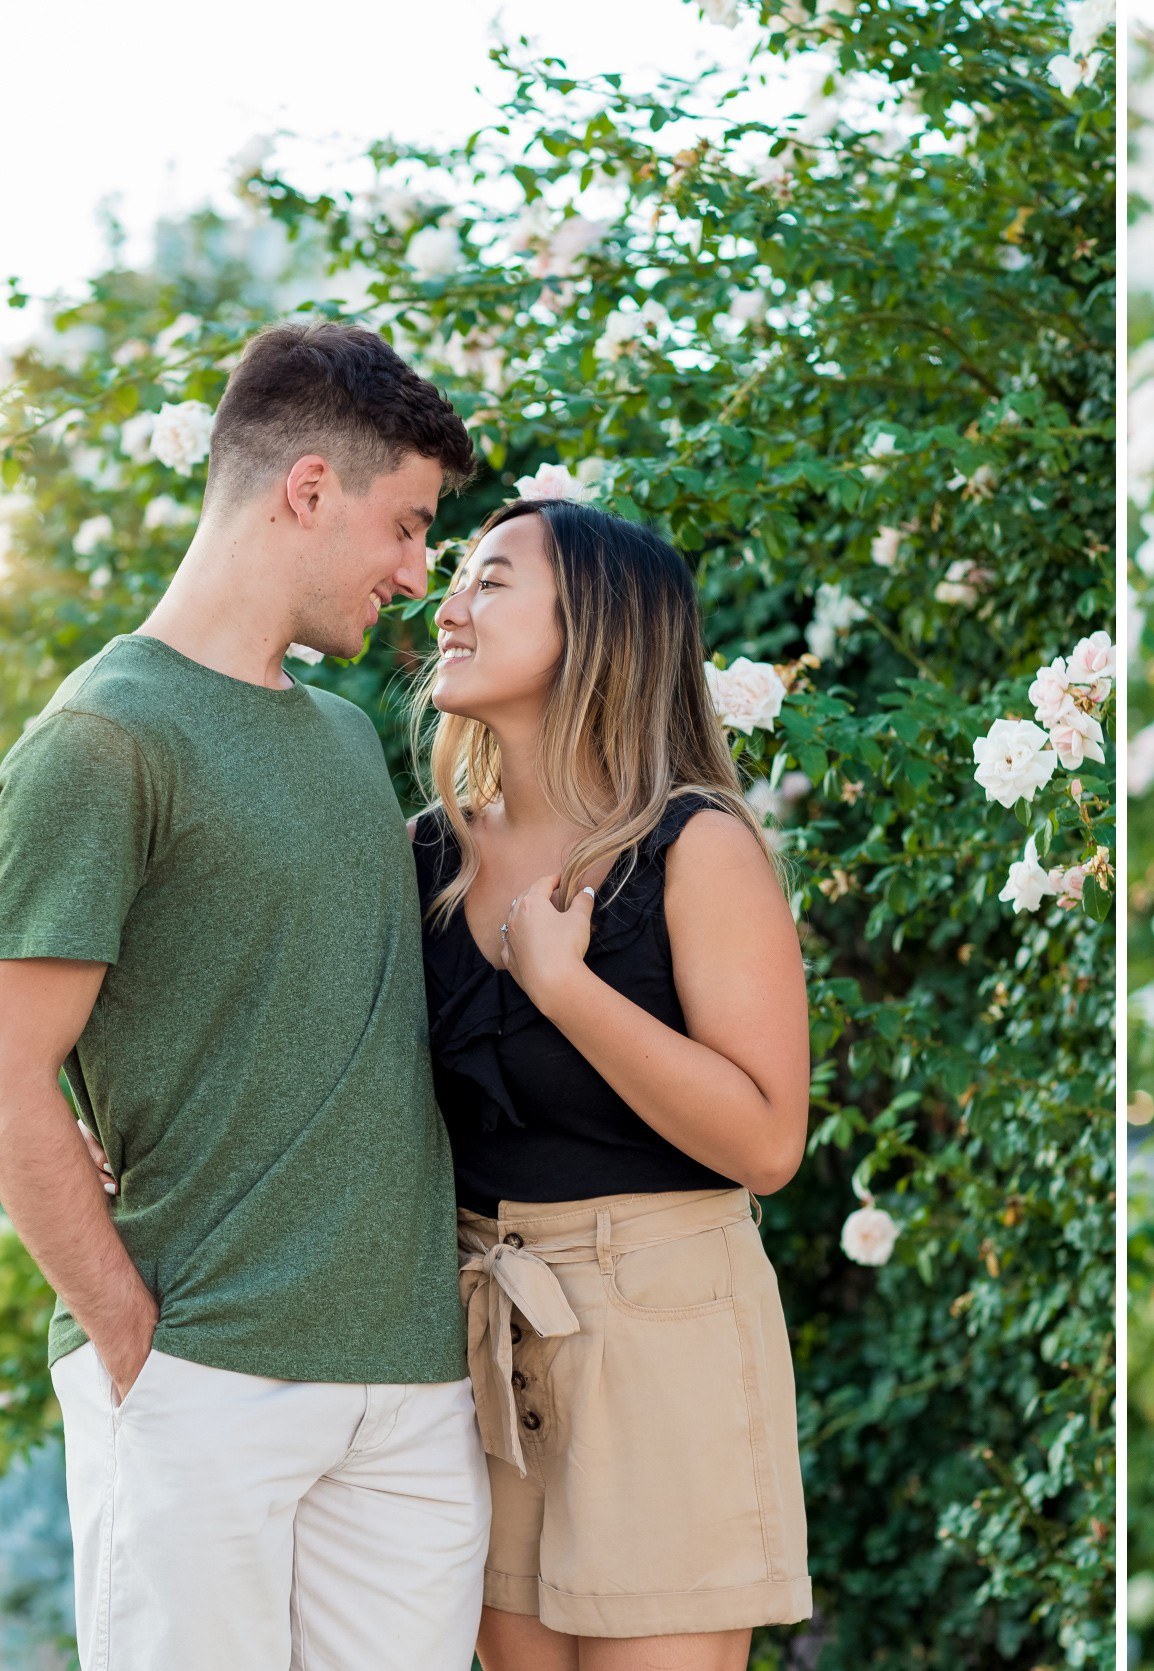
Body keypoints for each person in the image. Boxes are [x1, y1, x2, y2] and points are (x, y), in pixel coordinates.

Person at [0, 320, 486, 1667]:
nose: (415, 570)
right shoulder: (106, 737)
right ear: (309, 487)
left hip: (406, 1381)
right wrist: (134, 1339)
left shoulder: (338, 733)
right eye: (404, 525)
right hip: (203, 1372)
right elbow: (4, 1069)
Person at [414, 494, 816, 1668]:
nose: (448, 606)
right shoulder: (423, 856)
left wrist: (568, 989)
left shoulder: (697, 847)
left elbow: (767, 1145)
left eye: (489, 581)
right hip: (479, 1328)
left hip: (664, 1328)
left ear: (593, 629)